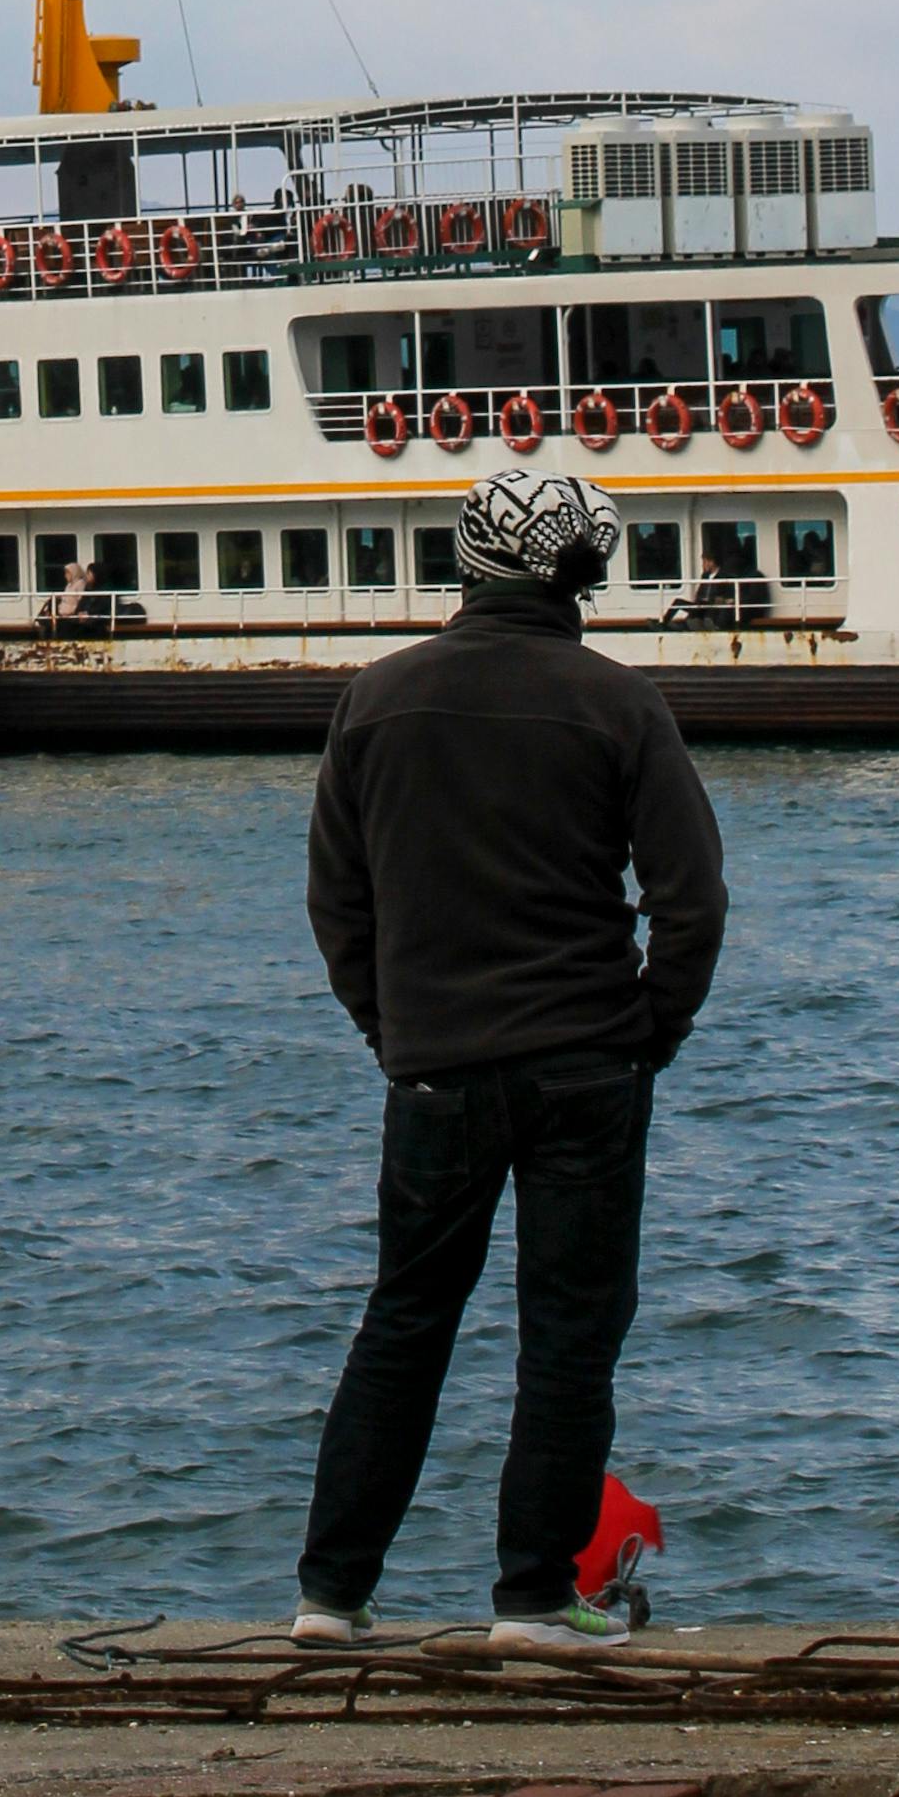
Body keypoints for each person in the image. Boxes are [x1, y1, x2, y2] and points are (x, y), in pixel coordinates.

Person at [292, 463, 726, 1647]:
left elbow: (338, 901)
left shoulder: (374, 700)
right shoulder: (617, 705)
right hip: (588, 1061)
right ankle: (533, 1599)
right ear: (581, 575)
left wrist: (394, 1030)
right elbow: (692, 900)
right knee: (568, 1339)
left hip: (432, 1069)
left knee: (404, 1321)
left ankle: (330, 1598)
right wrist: (649, 1036)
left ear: (468, 564)